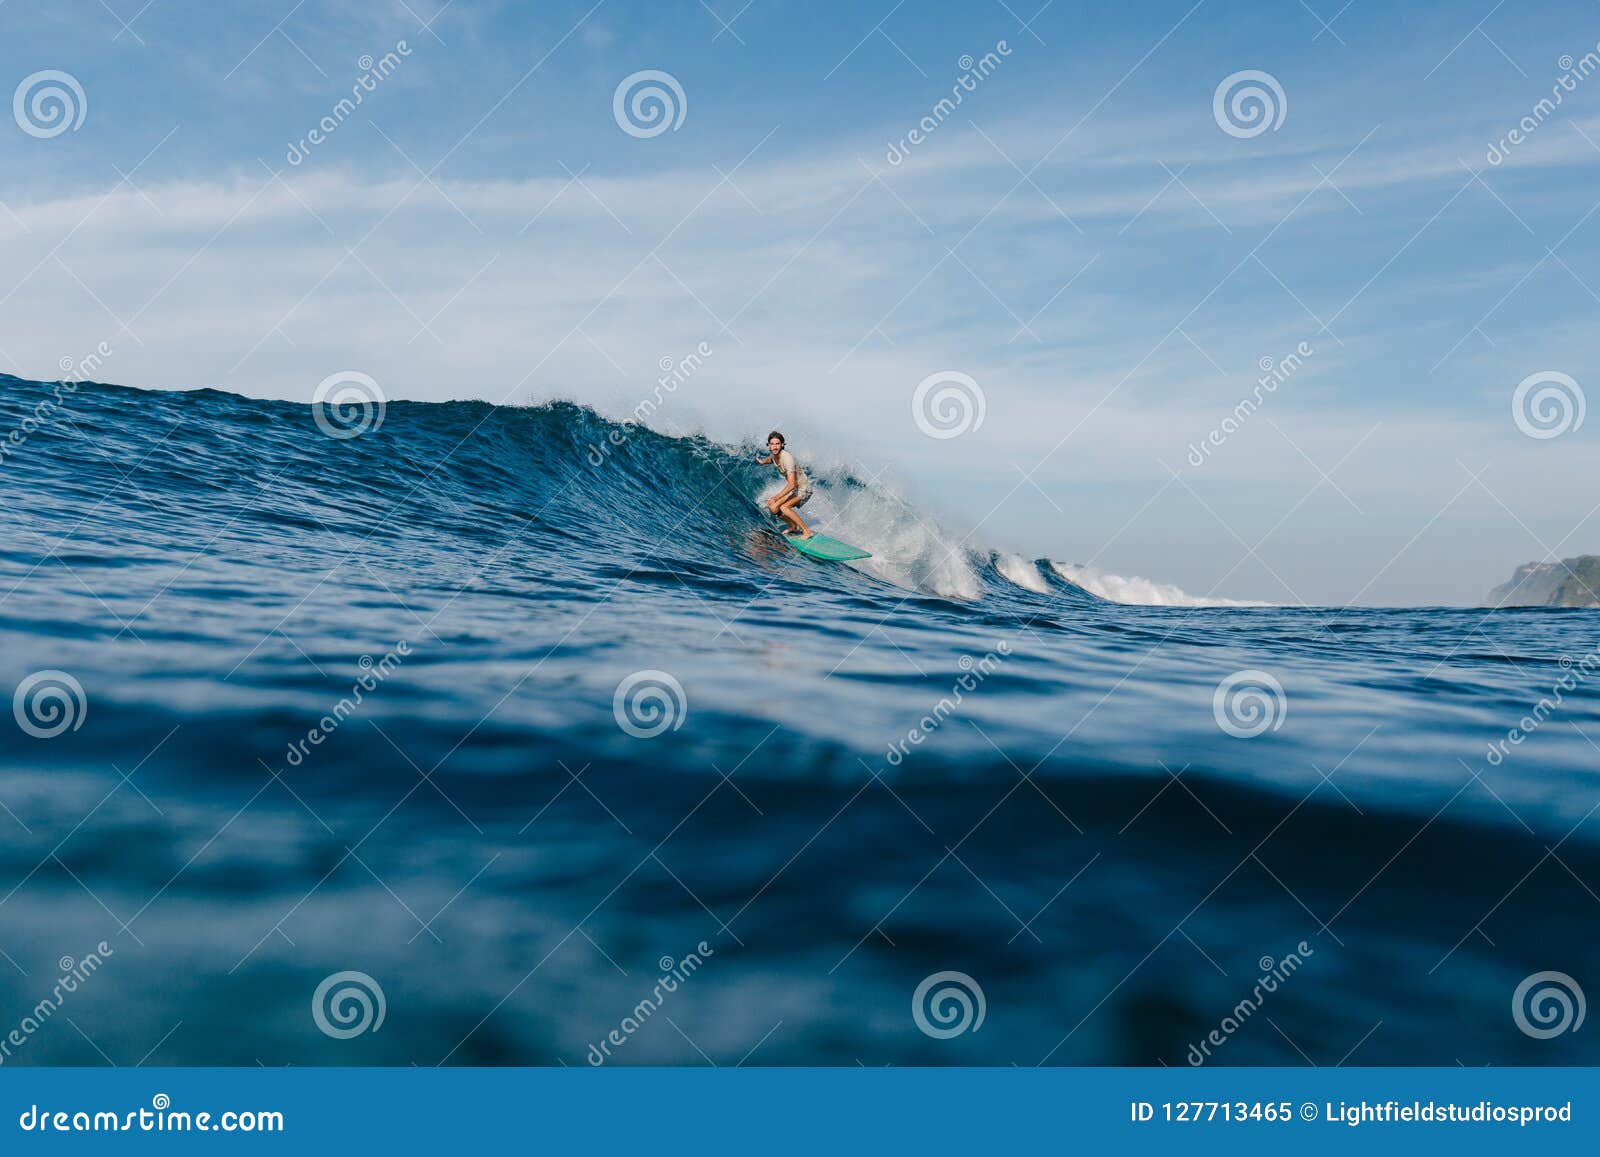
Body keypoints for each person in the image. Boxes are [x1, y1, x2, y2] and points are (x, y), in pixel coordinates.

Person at [756, 430, 814, 539]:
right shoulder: (774, 455)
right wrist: (763, 462)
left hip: (803, 489)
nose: (775, 447)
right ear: (769, 445)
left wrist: (776, 497)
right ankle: (793, 525)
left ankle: (807, 531)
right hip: (795, 489)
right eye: (772, 444)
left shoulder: (787, 459)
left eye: (777, 444)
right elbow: (771, 459)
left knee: (784, 507)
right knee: (773, 507)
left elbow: (792, 484)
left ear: (782, 445)